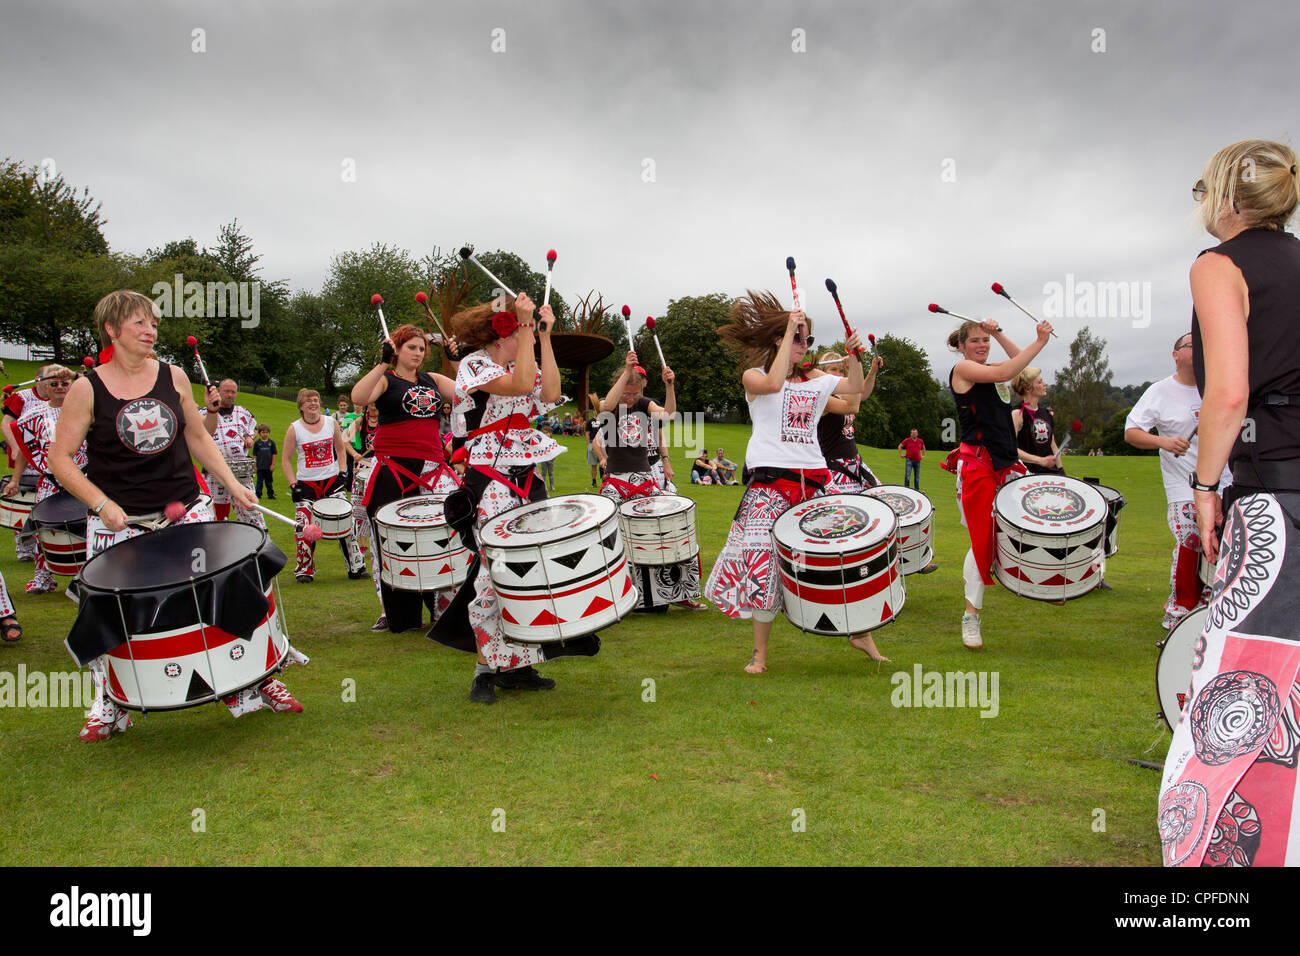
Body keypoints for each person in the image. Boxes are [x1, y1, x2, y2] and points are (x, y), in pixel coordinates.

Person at [50, 290, 304, 742]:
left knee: (225, 588)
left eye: (153, 323)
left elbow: (198, 438)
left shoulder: (174, 376)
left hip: (187, 508)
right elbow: (61, 459)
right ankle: (109, 703)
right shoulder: (88, 387)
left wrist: (230, 483)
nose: (151, 331)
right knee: (111, 613)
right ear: (112, 330)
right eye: (139, 324)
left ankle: (256, 680)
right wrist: (101, 504)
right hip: (121, 521)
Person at [1158, 140, 1300, 867]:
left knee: (1241, 681)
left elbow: (1229, 394)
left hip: (1273, 492)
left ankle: (1216, 857)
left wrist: (1206, 486)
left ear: (1227, 198)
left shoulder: (1220, 266)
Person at [431, 292, 598, 704]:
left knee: (533, 573)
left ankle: (518, 667)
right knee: (495, 574)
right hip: (489, 482)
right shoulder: (475, 364)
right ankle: (484, 670)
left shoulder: (520, 357)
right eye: (516, 333)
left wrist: (544, 336)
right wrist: (526, 329)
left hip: (527, 479)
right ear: (501, 334)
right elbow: (522, 385)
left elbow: (550, 390)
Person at [704, 290, 881, 672]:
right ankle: (760, 656)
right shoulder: (754, 377)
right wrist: (787, 330)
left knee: (839, 558)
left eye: (807, 339)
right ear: (780, 339)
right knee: (764, 564)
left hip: (815, 482)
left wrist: (854, 358)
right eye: (797, 337)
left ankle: (859, 631)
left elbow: (854, 395)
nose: (804, 345)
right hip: (768, 484)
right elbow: (771, 384)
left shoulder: (816, 379)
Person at [948, 316, 1053, 650]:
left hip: (1005, 464)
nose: (982, 345)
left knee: (1028, 523)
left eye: (985, 340)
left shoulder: (997, 369)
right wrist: (1040, 343)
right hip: (977, 466)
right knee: (982, 539)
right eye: (976, 340)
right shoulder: (964, 370)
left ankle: (1040, 581)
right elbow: (1007, 372)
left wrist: (1000, 332)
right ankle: (970, 616)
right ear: (962, 346)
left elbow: (1016, 368)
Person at [351, 324, 460, 632]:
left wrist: (455, 360)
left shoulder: (433, 380)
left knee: (445, 534)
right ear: (397, 349)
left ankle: (445, 607)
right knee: (390, 542)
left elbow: (470, 392)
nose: (418, 353)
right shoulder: (386, 380)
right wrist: (382, 363)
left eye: (422, 348)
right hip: (392, 469)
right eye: (411, 347)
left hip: (433, 468)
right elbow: (359, 397)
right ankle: (396, 612)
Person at [1124, 333, 1231, 629]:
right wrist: (1164, 442)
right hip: (1183, 482)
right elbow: (1131, 432)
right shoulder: (1160, 391)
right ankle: (1180, 609)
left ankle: (1212, 606)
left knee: (1223, 544)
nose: (1198, 349)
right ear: (1175, 354)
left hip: (1225, 480)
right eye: (1191, 345)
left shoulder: (1220, 385)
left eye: (1202, 343)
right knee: (1190, 539)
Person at [596, 353, 704, 612]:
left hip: (644, 479)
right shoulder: (608, 404)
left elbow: (668, 414)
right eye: (627, 393)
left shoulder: (644, 404)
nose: (630, 398)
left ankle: (676, 592)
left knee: (662, 533)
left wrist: (670, 386)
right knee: (612, 538)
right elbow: (606, 404)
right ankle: (617, 596)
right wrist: (625, 372)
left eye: (635, 393)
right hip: (615, 481)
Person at [6, 365, 85, 594]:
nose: (60, 387)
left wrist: (76, 375)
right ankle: (43, 577)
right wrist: (15, 480)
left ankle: (84, 578)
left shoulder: (86, 410)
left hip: (84, 478)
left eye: (64, 383)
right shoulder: (32, 416)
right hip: (51, 480)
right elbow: (23, 451)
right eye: (54, 383)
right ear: (44, 386)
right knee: (43, 528)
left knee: (89, 529)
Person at [282, 388, 367, 583]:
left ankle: (356, 566)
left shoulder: (331, 422)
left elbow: (340, 448)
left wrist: (342, 472)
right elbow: (286, 460)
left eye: (316, 400)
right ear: (301, 406)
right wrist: (293, 484)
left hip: (331, 481)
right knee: (303, 527)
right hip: (306, 485)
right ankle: (304, 569)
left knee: (347, 523)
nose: (313, 403)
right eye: (308, 401)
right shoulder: (294, 428)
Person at [200, 378, 265, 529]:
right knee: (217, 513)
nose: (229, 395)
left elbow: (253, 430)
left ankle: (258, 542)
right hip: (215, 471)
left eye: (233, 392)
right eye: (226, 391)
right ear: (219, 391)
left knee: (250, 510)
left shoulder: (242, 412)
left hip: (240, 471)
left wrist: (250, 437)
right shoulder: (204, 413)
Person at [817, 349, 883, 492]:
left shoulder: (842, 395)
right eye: (833, 369)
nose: (838, 374)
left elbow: (862, 393)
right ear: (821, 372)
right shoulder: (822, 398)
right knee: (847, 510)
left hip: (854, 460)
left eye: (841, 371)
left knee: (881, 500)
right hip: (835, 465)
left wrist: (872, 371)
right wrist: (853, 366)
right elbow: (853, 404)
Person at [3, 375, 49, 562]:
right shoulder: (22, 397)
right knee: (24, 505)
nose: (56, 387)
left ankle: (45, 548)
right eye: (51, 382)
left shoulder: (65, 398)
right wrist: (15, 447)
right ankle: (24, 546)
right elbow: (7, 424)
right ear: (39, 381)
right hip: (26, 461)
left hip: (50, 462)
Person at [1010, 368, 1063, 475]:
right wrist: (1040, 461)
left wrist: (1061, 470)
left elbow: (1052, 445)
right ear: (1028, 388)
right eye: (1040, 382)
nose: (1045, 384)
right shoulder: (1017, 414)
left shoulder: (1046, 413)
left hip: (1050, 473)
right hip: (1026, 474)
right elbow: (1011, 449)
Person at [252, 424, 277, 499]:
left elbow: (274, 454)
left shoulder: (271, 443)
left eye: (267, 432)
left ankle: (270, 494)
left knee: (269, 482)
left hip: (268, 466)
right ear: (259, 433)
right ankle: (258, 494)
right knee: (259, 482)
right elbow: (255, 455)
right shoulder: (257, 443)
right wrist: (255, 466)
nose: (265, 434)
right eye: (263, 432)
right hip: (260, 466)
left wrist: (272, 464)